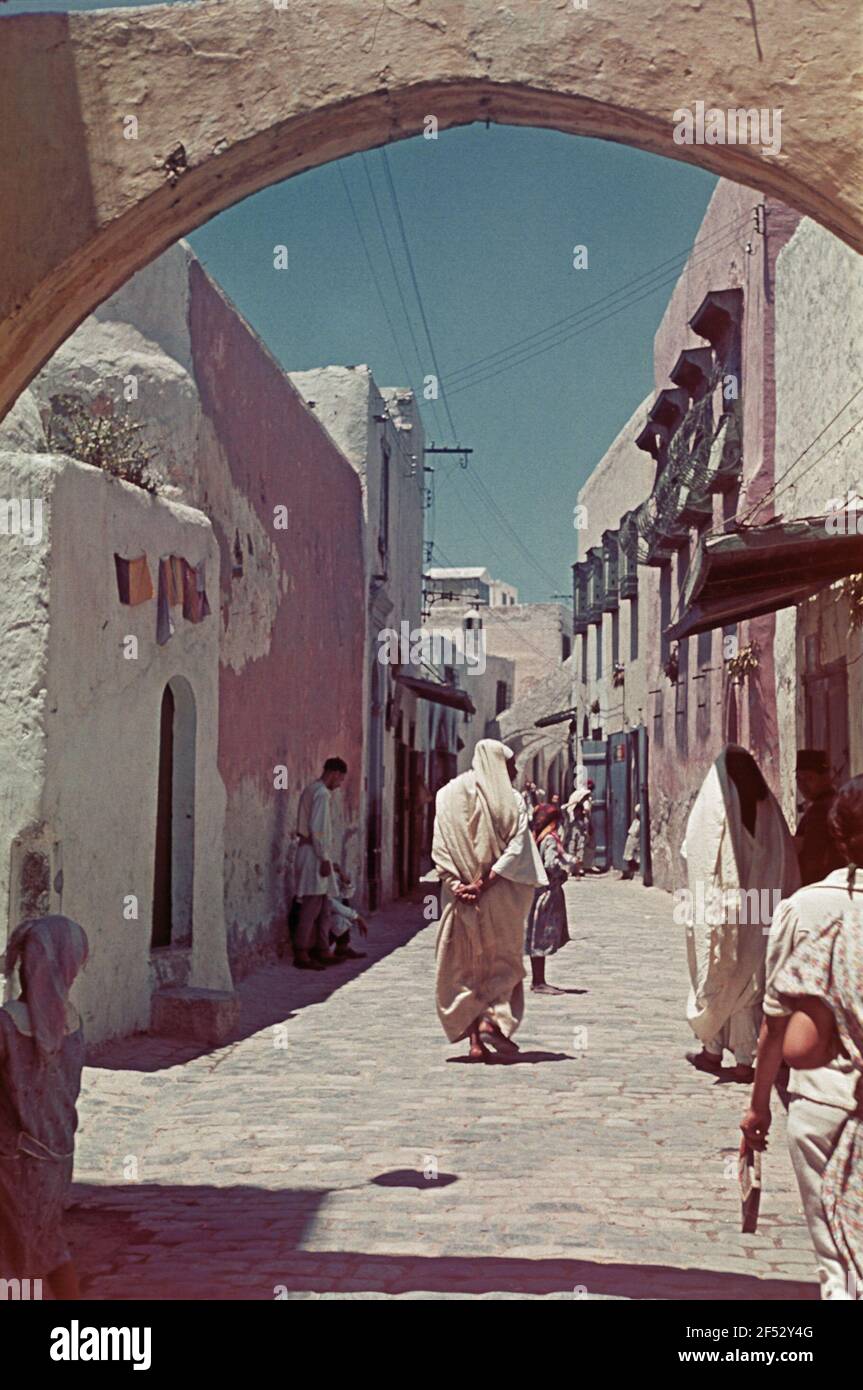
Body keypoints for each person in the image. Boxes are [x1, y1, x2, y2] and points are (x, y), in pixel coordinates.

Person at [741, 794, 860, 1298]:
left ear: (836, 837)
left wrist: (757, 1106)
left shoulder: (805, 909)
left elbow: (777, 1025)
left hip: (824, 1106)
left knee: (841, 1265)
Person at [683, 746, 799, 1083]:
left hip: (726, 908)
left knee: (718, 974)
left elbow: (695, 852)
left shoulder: (716, 812)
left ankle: (716, 1051)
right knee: (750, 982)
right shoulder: (769, 812)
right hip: (763, 909)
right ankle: (741, 1059)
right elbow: (783, 862)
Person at [432, 738, 547, 1062]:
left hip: (460, 899)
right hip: (500, 897)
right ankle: (489, 1023)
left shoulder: (446, 796)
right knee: (501, 962)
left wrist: (457, 885)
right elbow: (517, 849)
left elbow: (440, 846)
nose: (514, 773)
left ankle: (476, 1041)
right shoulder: (512, 800)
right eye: (510, 766)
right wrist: (484, 884)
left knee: (466, 966)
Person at [0, 916, 89, 1299]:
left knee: (18, 1255)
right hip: (57, 1157)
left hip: (14, 1160)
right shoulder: (72, 1022)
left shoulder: (8, 1023)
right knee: (47, 1246)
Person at [293, 757, 347, 970]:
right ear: (334, 773)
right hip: (314, 855)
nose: (339, 784)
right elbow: (318, 829)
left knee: (324, 905)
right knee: (312, 906)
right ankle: (301, 952)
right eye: (340, 779)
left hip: (312, 852)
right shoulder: (322, 794)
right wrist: (324, 858)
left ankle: (322, 949)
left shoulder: (312, 789)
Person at [525, 802, 576, 995]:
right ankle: (539, 981)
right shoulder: (550, 840)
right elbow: (551, 864)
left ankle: (537, 979)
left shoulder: (535, 838)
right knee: (542, 935)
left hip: (535, 891)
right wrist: (562, 874)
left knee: (536, 935)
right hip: (547, 892)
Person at [794, 749, 844, 886]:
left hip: (822, 885)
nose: (803, 786)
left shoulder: (820, 810)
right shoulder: (834, 802)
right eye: (799, 779)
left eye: (809, 778)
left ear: (825, 777)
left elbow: (812, 860)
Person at [621, 803, 641, 880]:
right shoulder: (635, 821)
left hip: (636, 841)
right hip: (631, 840)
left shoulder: (639, 823)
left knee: (634, 857)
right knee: (629, 856)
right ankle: (629, 873)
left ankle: (634, 873)